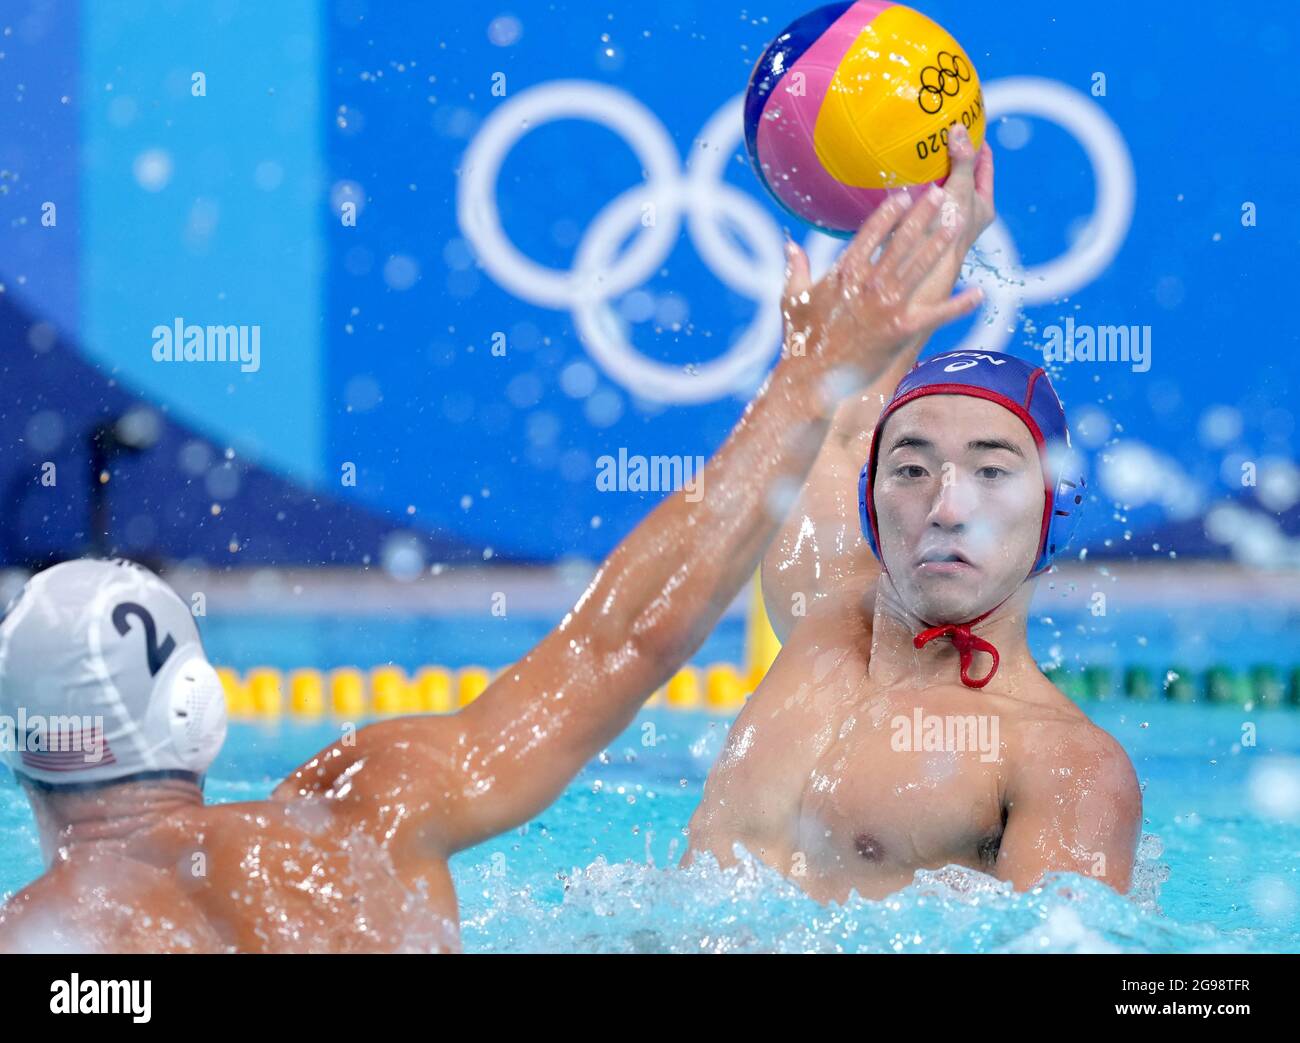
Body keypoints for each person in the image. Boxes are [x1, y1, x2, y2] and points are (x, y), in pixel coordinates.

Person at [0, 138, 986, 952]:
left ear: (19, 753)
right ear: (200, 710)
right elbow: (625, 639)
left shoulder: (34, 936)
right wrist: (807, 373)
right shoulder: (363, 814)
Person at [684, 131, 1142, 901]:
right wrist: (946, 237)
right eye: (912, 468)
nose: (946, 505)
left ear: (1054, 509)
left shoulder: (1061, 762)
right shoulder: (824, 613)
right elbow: (836, 429)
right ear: (870, 498)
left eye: (992, 472)